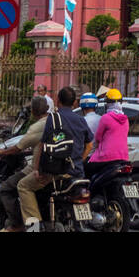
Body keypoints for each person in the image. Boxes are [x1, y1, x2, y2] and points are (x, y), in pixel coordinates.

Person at [35, 86, 94, 229]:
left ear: (58, 101)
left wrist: (37, 169)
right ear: (74, 103)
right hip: (78, 173)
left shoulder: (53, 119)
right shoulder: (81, 120)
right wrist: (78, 159)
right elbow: (89, 145)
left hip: (57, 174)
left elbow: (43, 146)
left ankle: (34, 227)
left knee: (26, 187)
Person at [0, 94, 49, 233]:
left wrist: (3, 152)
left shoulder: (37, 127)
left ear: (33, 112)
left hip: (42, 169)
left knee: (9, 187)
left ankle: (19, 224)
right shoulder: (56, 121)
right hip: (64, 168)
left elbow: (18, 147)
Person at [86, 88, 129, 177]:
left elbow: (98, 138)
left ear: (108, 103)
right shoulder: (125, 119)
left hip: (106, 158)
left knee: (87, 168)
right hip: (124, 158)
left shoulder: (106, 118)